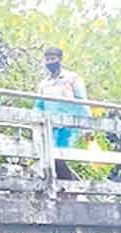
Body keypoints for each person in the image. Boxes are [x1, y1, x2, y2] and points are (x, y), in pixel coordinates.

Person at [36, 46, 91, 180]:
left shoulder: (72, 79)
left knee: (58, 155)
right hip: (49, 126)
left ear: (60, 60)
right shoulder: (44, 84)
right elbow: (39, 105)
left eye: (52, 59)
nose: (50, 62)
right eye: (47, 60)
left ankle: (69, 186)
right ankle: (67, 186)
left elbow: (82, 102)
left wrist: (88, 127)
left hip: (69, 126)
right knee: (49, 158)